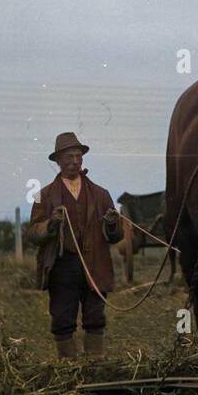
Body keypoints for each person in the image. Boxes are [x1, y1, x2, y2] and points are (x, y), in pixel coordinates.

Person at [25, 132, 123, 359]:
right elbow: (32, 233)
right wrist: (51, 225)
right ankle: (68, 369)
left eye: (78, 157)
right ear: (57, 161)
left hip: (95, 265)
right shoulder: (42, 196)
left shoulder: (101, 194)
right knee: (62, 318)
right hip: (62, 266)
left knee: (96, 317)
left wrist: (111, 224)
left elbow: (116, 236)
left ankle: (95, 365)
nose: (74, 162)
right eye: (69, 157)